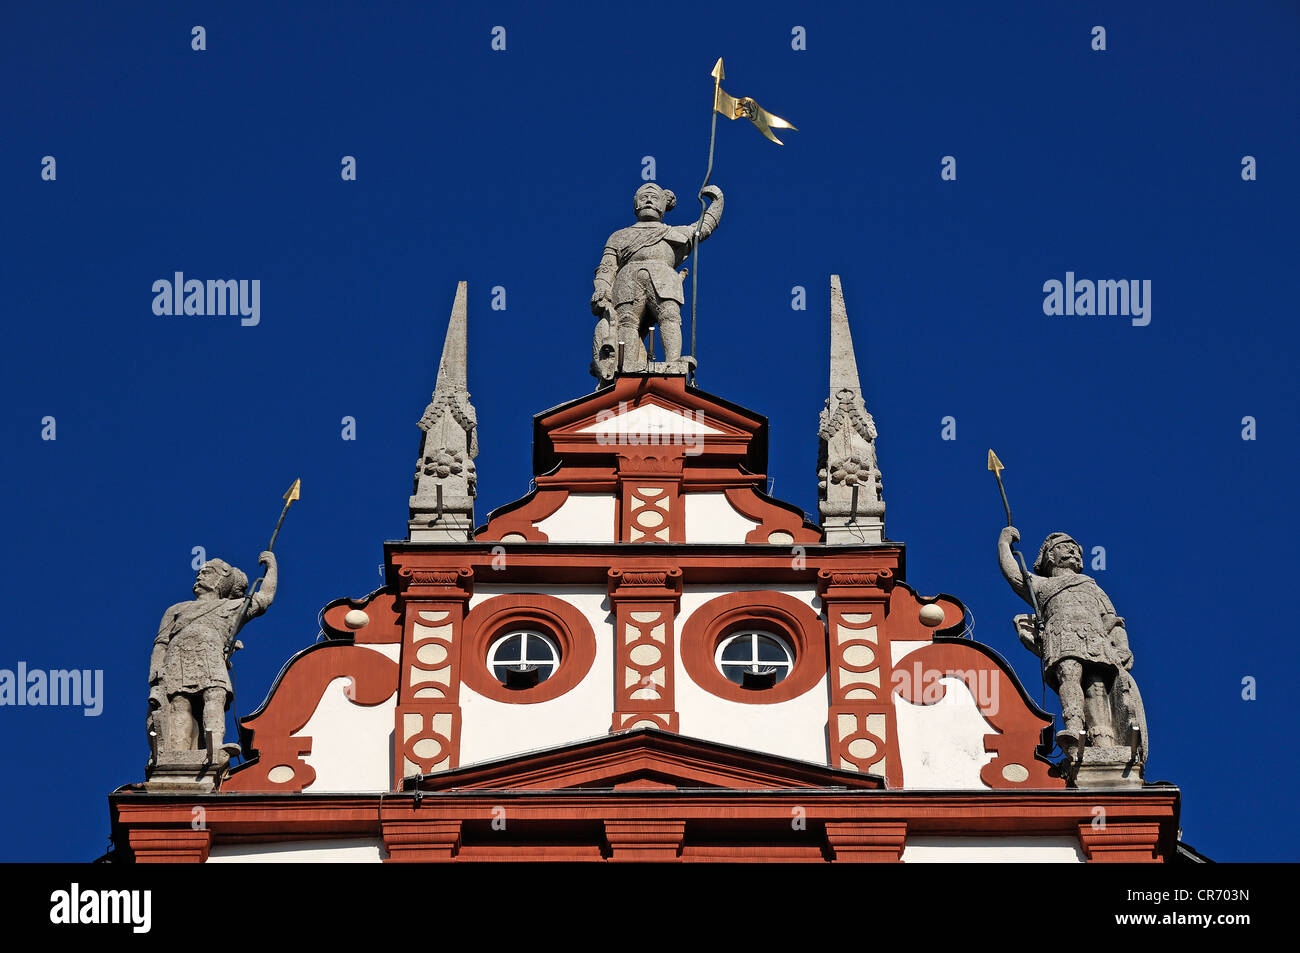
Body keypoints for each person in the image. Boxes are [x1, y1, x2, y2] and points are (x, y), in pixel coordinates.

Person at [148, 553, 276, 765]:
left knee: (215, 695)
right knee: (180, 702)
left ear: (221, 580)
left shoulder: (231, 607)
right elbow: (161, 643)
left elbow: (265, 598)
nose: (199, 576)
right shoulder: (176, 609)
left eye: (206, 572)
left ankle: (215, 745)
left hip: (210, 654)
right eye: (199, 572)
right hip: (177, 657)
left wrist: (272, 567)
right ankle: (179, 752)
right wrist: (155, 669)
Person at [590, 182, 723, 381]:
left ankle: (674, 361)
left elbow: (702, 228)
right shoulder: (618, 237)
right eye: (643, 197)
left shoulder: (673, 233)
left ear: (664, 205)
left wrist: (717, 201)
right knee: (627, 322)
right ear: (636, 205)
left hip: (664, 277)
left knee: (669, 316)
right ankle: (627, 365)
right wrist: (601, 287)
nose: (649, 200)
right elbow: (607, 267)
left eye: (654, 197)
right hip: (627, 280)